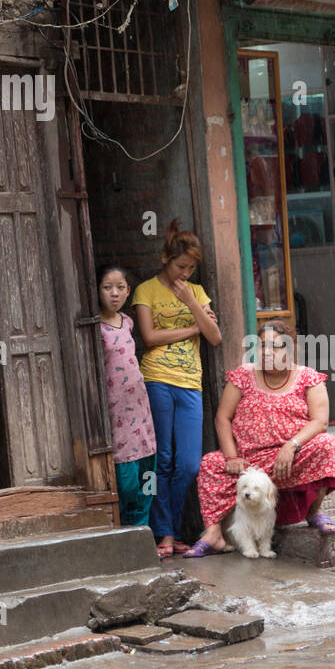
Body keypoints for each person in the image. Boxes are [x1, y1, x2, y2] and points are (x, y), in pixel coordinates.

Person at [183, 319, 335, 557]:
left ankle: (314, 512)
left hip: (289, 458)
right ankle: (213, 533)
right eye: (262, 346)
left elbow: (320, 421)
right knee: (210, 464)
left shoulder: (309, 378)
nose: (266, 352)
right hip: (248, 462)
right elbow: (222, 418)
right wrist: (231, 456)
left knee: (326, 444)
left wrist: (291, 445)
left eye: (275, 347)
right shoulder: (244, 375)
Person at [131, 220, 221, 559]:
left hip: (189, 384)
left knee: (189, 464)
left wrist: (193, 304)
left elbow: (215, 337)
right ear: (165, 259)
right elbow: (150, 338)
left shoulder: (196, 292)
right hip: (156, 379)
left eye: (192, 268)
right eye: (181, 266)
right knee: (163, 461)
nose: (186, 272)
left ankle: (172, 529)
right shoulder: (145, 291)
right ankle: (165, 535)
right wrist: (193, 327)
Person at [98, 266, 157, 527]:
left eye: (120, 288)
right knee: (126, 479)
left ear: (128, 291)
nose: (114, 293)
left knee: (147, 469)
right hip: (116, 409)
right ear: (98, 289)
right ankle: (124, 529)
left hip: (139, 406)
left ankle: (142, 529)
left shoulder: (128, 321)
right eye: (107, 287)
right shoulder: (95, 327)